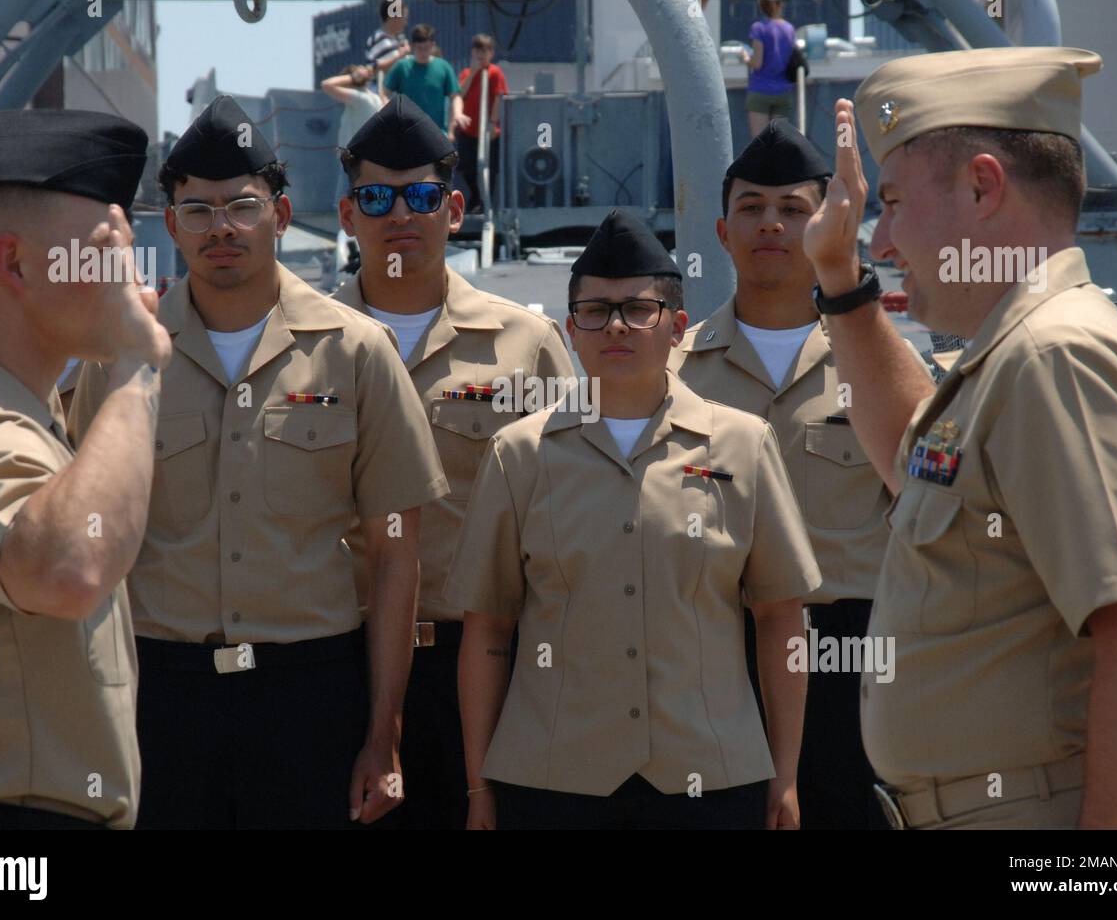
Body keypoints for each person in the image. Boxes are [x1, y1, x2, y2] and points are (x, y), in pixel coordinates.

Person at [803, 46, 1117, 829]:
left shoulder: (1056, 356)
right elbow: (910, 460)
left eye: (894, 203)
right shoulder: (1014, 357)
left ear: (983, 186)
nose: (883, 241)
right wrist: (841, 282)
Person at [68, 95, 450, 829]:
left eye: (241, 205)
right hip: (163, 695)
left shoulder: (356, 350)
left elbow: (395, 553)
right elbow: (96, 545)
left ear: (280, 214)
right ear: (170, 224)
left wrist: (384, 730)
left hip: (310, 694)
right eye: (198, 210)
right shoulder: (125, 358)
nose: (222, 228)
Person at [438, 208, 822, 830]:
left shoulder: (742, 446)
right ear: (570, 329)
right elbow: (489, 629)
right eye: (595, 311)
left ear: (676, 328)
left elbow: (781, 617)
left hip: (709, 776)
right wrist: (479, 787)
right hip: (555, 781)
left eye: (638, 309)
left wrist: (785, 775)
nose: (615, 326)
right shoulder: (520, 454)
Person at [0, 108, 171, 829]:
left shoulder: (26, 426)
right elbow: (69, 566)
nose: (124, 274)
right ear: (15, 263)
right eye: (103, 249)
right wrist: (141, 363)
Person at [670, 119, 932, 829]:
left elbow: (934, 500)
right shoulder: (675, 374)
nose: (772, 224)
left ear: (830, 223)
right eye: (751, 207)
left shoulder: (880, 366)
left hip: (854, 658)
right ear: (722, 232)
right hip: (712, 656)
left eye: (794, 208)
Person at [332, 95, 573, 829]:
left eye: (421, 196)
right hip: (341, 666)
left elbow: (584, 494)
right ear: (347, 216)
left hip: (488, 661)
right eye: (375, 197)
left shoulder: (527, 343)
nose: (398, 213)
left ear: (456, 208)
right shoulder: (305, 345)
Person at [321, 63, 385, 272]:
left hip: (353, 163)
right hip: (366, 162)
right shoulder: (374, 99)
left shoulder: (360, 98)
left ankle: (354, 252)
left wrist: (353, 77)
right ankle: (361, 250)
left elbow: (327, 84)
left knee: (346, 207)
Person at [454, 34, 509, 214]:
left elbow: (498, 98)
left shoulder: (495, 72)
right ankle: (475, 195)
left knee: (490, 168)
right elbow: (459, 94)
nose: (481, 54)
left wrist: (493, 123)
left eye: (485, 50)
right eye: (478, 50)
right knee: (466, 166)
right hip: (468, 131)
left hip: (488, 131)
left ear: (491, 53)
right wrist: (473, 72)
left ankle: (486, 203)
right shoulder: (466, 73)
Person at [384, 24, 466, 135]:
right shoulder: (401, 67)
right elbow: (384, 93)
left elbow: (455, 96)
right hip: (406, 133)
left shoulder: (443, 67)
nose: (423, 52)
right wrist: (389, 113)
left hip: (436, 133)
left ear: (433, 45)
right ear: (413, 46)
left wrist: (458, 113)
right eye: (419, 48)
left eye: (426, 48)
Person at [745, 0, 796, 138]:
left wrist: (746, 58)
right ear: (780, 5)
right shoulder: (789, 29)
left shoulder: (758, 28)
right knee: (779, 142)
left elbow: (757, 63)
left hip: (760, 90)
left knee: (760, 142)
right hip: (783, 91)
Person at [365, 0, 411, 85]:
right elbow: (373, 69)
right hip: (384, 94)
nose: (405, 23)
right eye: (404, 18)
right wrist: (400, 56)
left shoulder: (397, 40)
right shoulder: (379, 39)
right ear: (393, 17)